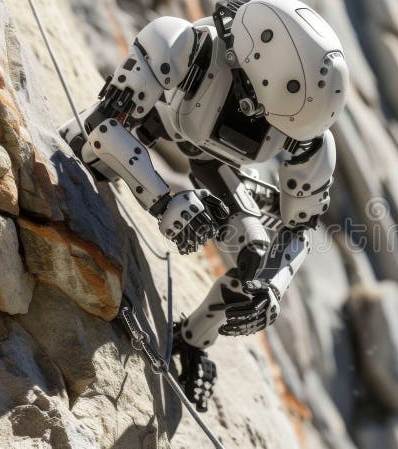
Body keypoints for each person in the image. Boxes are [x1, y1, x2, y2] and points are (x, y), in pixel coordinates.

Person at [59, 0, 348, 412]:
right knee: (84, 155)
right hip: (152, 119)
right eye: (264, 117)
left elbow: (300, 228)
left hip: (215, 164)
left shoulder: (307, 135)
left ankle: (191, 343)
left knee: (256, 257)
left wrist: (273, 289)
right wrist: (165, 200)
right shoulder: (181, 44)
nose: (271, 133)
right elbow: (102, 126)